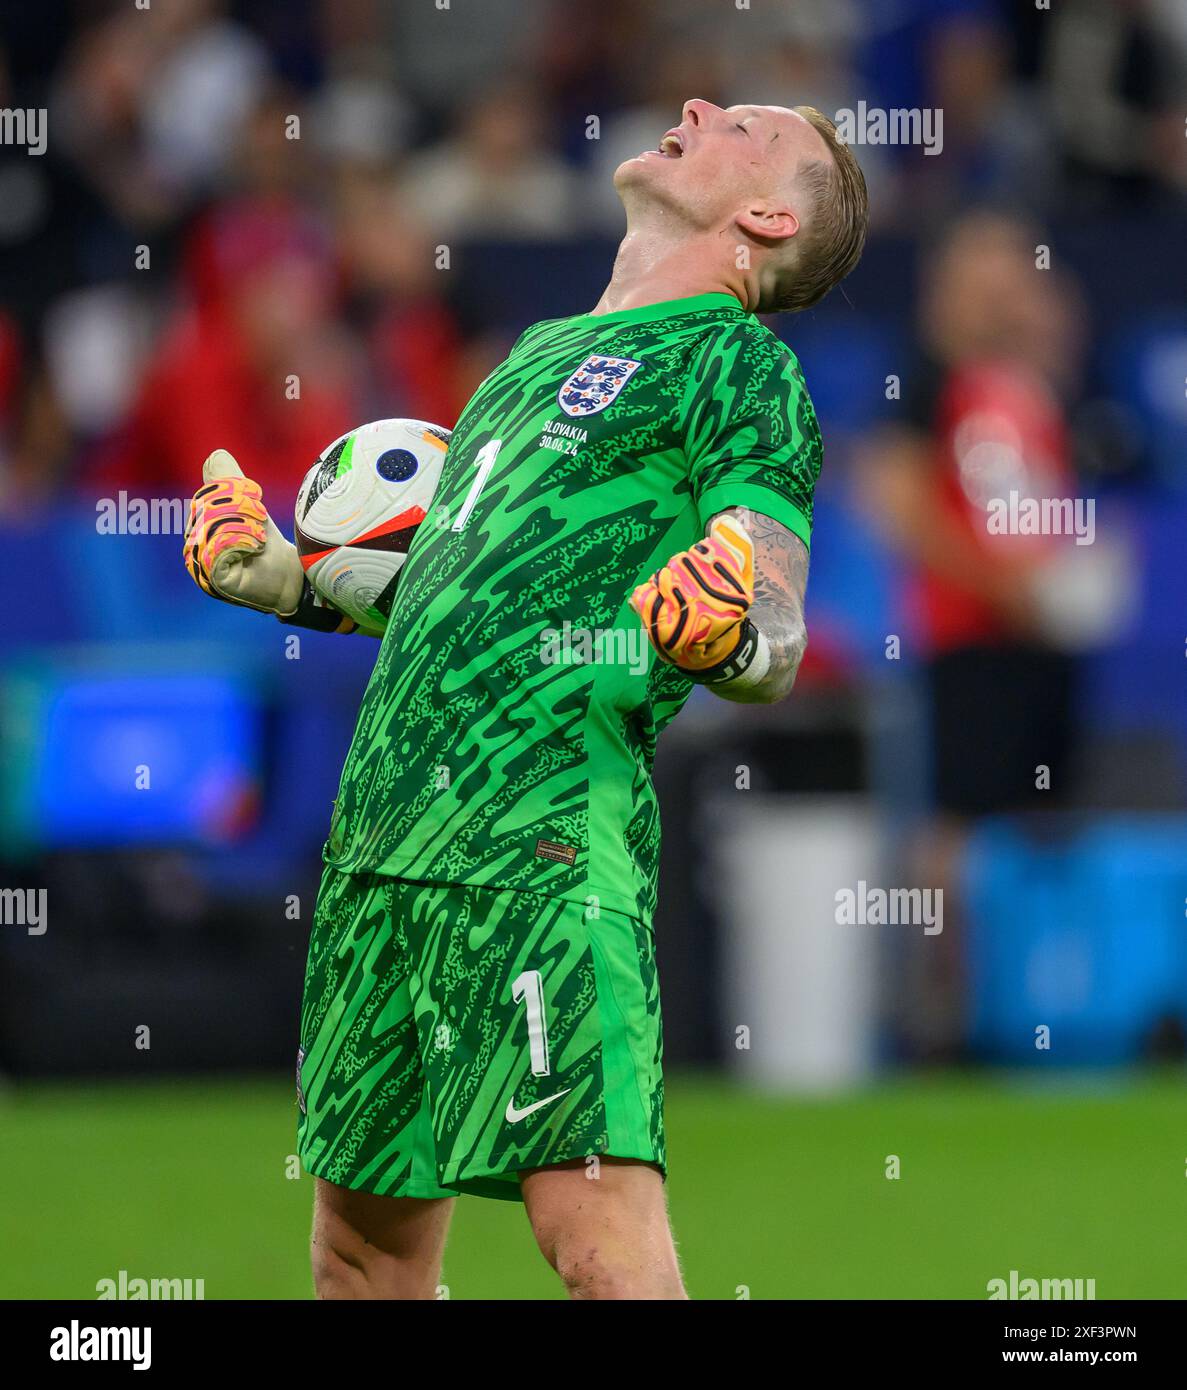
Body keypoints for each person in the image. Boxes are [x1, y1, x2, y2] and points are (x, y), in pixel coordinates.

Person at [183, 99, 867, 1300]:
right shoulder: (526, 361)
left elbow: (768, 628)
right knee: (359, 1255)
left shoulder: (736, 367)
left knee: (597, 1244)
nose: (699, 106)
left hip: (537, 847)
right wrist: (287, 583)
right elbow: (462, 598)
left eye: (745, 129)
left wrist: (726, 625)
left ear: (763, 217)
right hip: (380, 847)